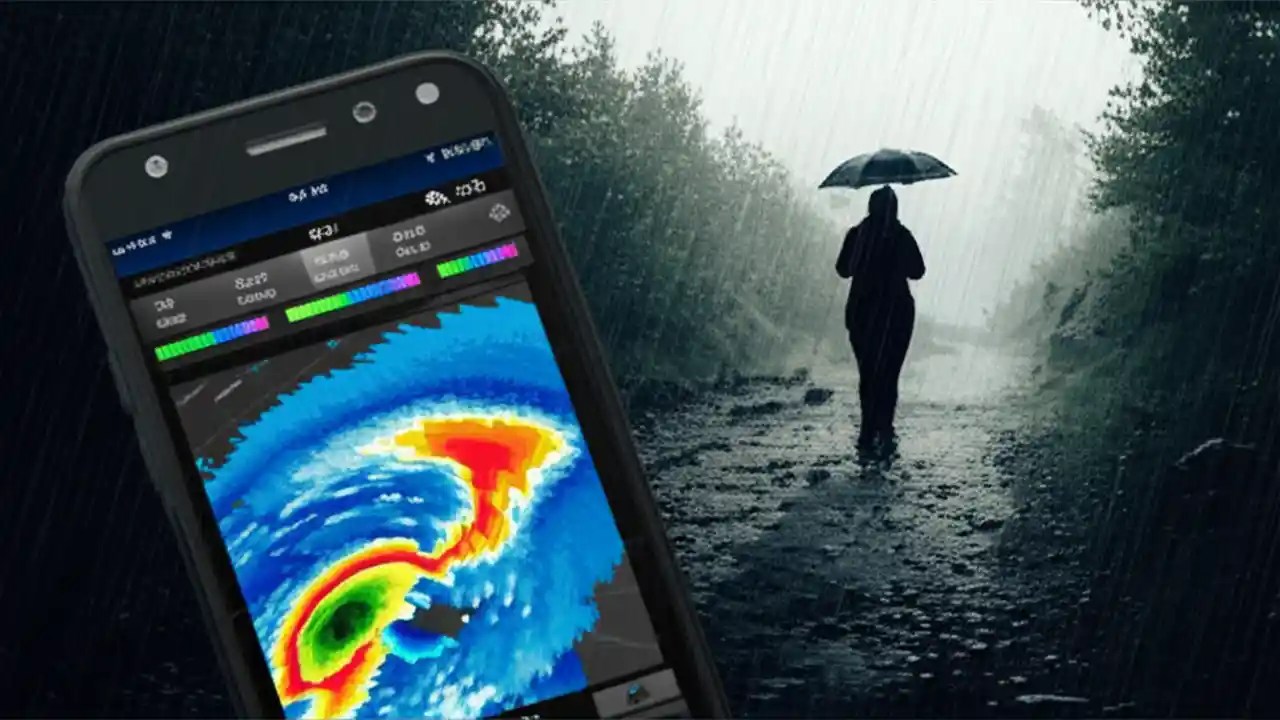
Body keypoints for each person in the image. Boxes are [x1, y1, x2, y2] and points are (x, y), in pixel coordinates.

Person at [835, 185, 925, 449]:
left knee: (868, 371)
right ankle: (885, 426)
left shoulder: (857, 234)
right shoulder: (901, 234)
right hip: (897, 312)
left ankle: (867, 427)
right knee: (889, 373)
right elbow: (918, 271)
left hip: (862, 310)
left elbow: (842, 270)